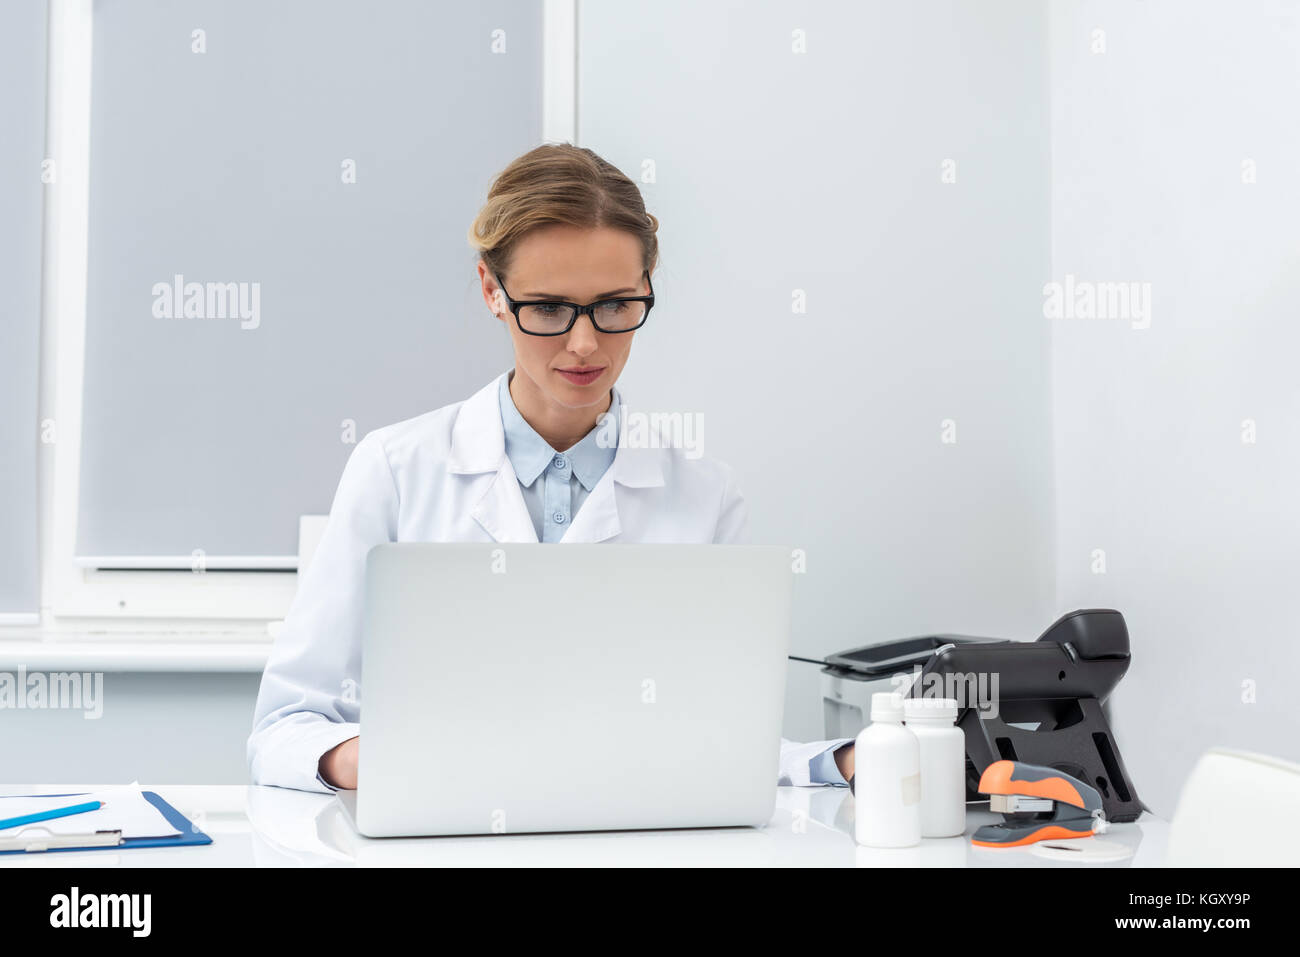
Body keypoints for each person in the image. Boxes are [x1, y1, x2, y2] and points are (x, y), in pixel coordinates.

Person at [247, 143, 855, 794]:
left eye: (616, 305)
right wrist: (378, 761)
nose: (585, 343)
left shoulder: (705, 495)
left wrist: (845, 762)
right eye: (549, 308)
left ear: (647, 285)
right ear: (493, 291)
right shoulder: (395, 471)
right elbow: (285, 728)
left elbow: (730, 744)